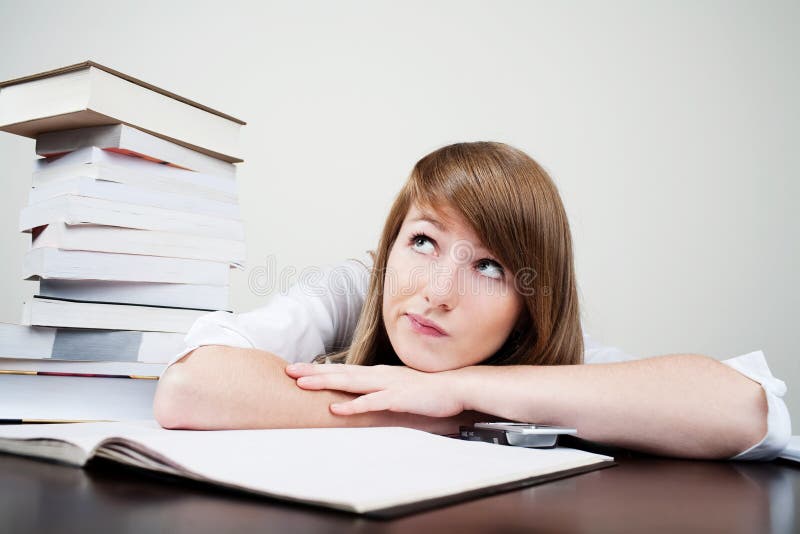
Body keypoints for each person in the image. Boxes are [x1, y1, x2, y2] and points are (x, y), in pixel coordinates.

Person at [154, 142, 791, 460]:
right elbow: (193, 386)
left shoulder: (544, 359)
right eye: (423, 241)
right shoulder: (357, 290)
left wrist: (468, 388)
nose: (435, 292)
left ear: (529, 304)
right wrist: (432, 414)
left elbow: (740, 408)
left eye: (489, 265)